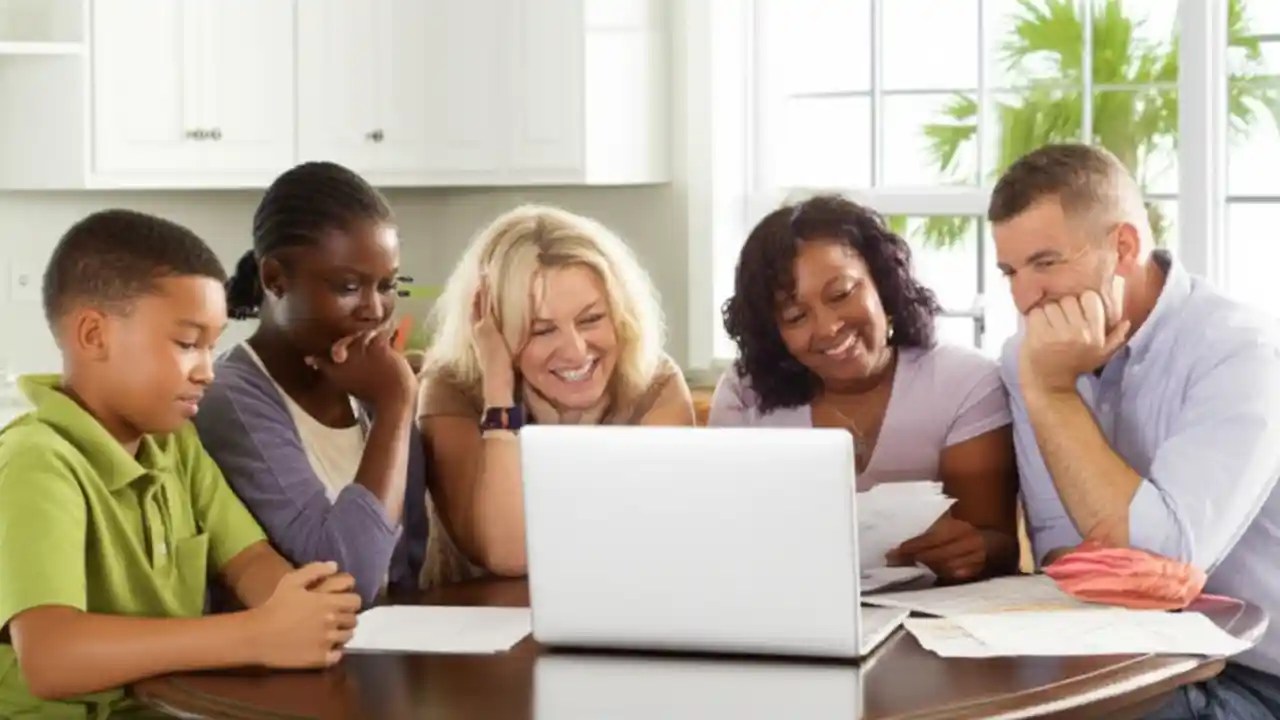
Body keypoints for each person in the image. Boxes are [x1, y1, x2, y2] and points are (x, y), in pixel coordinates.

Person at [0, 210, 360, 717]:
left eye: (213, 347)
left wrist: (301, 607)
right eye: (188, 344)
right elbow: (50, 657)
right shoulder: (37, 459)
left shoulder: (176, 446)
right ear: (93, 335)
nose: (208, 371)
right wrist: (254, 635)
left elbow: (248, 560)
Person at [992, 143, 1280, 719]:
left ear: (1123, 246)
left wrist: (1051, 394)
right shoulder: (1028, 353)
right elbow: (1063, 556)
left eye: (1046, 263)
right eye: (1010, 272)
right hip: (1128, 658)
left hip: (1256, 673)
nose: (1025, 298)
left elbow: (1155, 559)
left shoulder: (1240, 350)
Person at [709, 195, 1020, 582]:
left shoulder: (965, 381)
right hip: (791, 606)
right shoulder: (745, 392)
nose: (827, 327)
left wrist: (975, 551)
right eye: (795, 316)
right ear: (774, 332)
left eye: (841, 294)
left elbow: (1001, 545)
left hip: (933, 612)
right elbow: (724, 537)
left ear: (882, 283)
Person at [419, 204, 695, 585]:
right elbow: (507, 554)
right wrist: (498, 392)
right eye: (541, 330)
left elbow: (656, 544)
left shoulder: (655, 384)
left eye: (591, 319)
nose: (576, 351)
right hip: (479, 628)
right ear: (493, 331)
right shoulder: (452, 388)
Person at [194, 161, 428, 607]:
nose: (375, 310)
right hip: (273, 673)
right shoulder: (229, 398)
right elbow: (347, 577)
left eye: (387, 285)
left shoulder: (371, 378)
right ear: (275, 279)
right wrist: (397, 406)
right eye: (348, 286)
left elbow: (403, 570)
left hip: (379, 658)